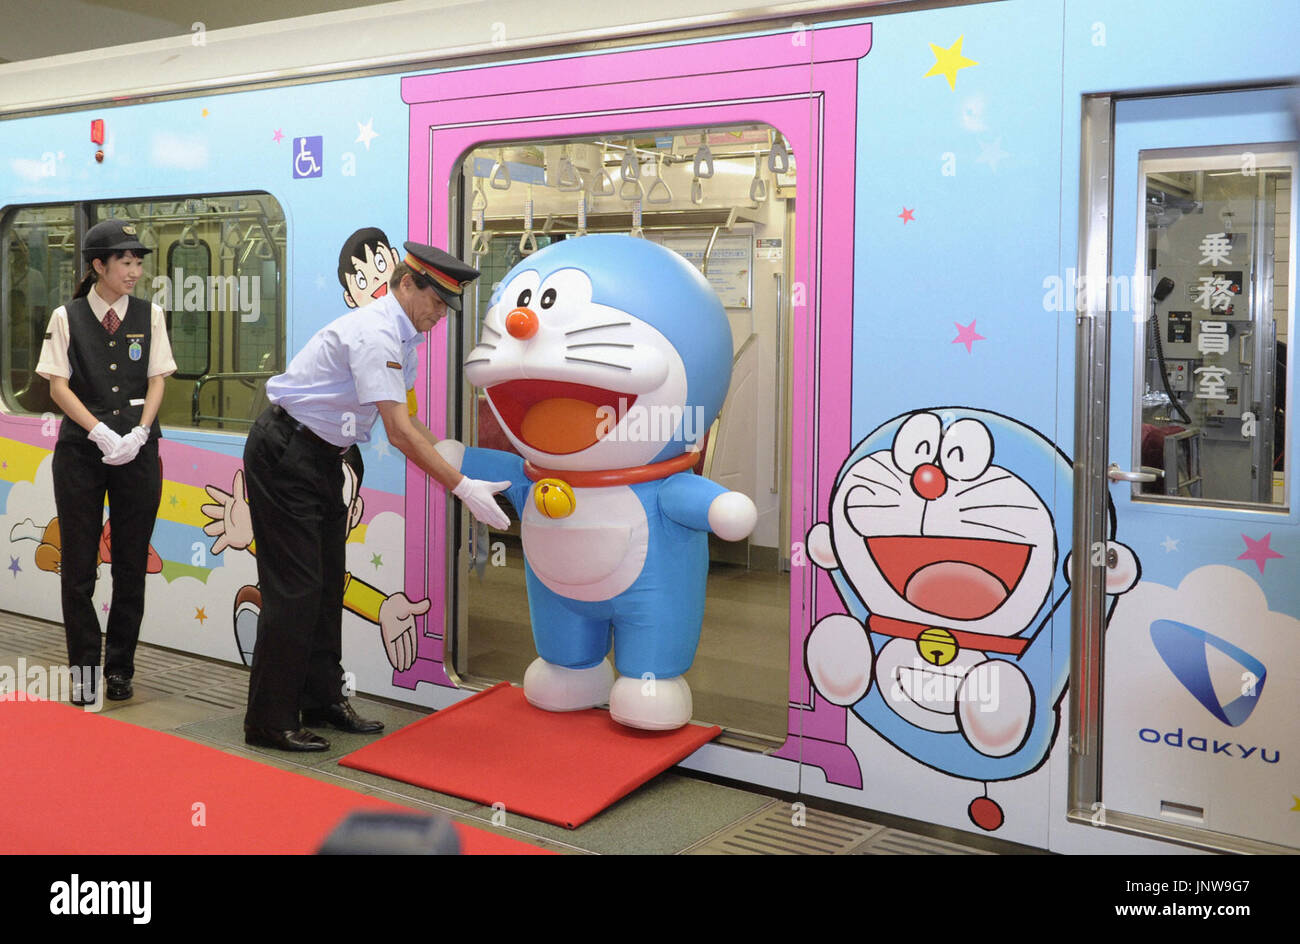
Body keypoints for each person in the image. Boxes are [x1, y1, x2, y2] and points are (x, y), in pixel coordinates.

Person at [242, 240, 510, 751]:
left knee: (325, 586)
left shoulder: (405, 339)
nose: (439, 315)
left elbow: (412, 423)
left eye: (445, 307)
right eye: (435, 302)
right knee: (294, 591)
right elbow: (399, 434)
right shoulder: (375, 333)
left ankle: (320, 700)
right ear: (408, 283)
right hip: (286, 453)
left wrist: (464, 466)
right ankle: (268, 721)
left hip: (322, 457)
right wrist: (461, 487)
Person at [35, 219, 176, 705]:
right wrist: (96, 430)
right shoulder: (65, 316)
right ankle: (83, 671)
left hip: (138, 452)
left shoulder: (150, 315)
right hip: (80, 455)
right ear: (98, 265)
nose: (134, 271)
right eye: (125, 261)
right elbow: (57, 386)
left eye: (138, 262)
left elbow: (158, 378)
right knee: (78, 567)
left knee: (131, 565)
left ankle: (119, 668)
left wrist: (140, 432)